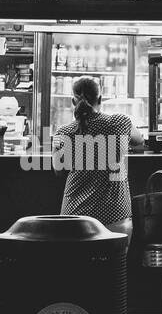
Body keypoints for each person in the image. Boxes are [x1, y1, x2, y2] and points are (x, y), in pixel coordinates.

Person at [54, 75, 144, 238]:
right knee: (116, 263)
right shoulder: (119, 122)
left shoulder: (63, 132)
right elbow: (140, 141)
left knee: (77, 264)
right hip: (114, 215)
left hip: (75, 216)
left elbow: (58, 170)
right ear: (100, 98)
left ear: (73, 101)